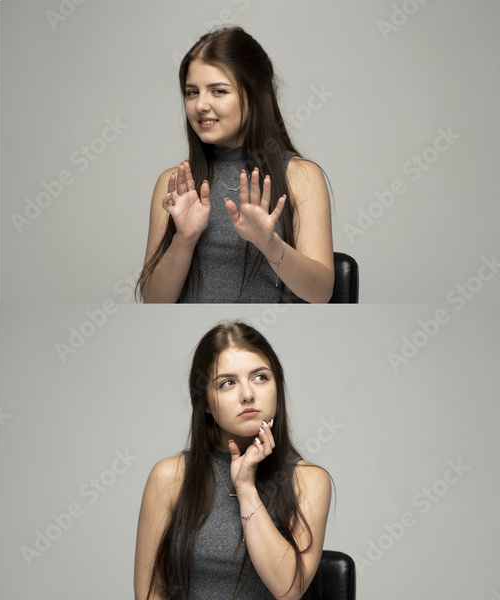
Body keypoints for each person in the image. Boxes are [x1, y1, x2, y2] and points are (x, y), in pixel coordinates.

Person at [133, 321, 331, 600]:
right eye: (227, 383)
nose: (248, 394)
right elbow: (149, 594)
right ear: (205, 404)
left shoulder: (308, 480)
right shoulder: (170, 476)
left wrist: (246, 489)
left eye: (260, 377)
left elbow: (289, 590)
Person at [137, 27, 334, 303]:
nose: (200, 105)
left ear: (254, 95)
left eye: (218, 91)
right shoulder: (174, 184)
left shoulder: (300, 177)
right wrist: (184, 239)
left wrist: (269, 243)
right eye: (192, 92)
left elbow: (321, 293)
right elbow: (154, 303)